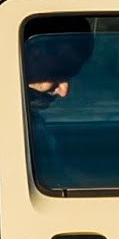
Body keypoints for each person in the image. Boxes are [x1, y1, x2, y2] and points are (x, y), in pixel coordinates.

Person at [21, 16, 94, 190]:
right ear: (31, 54)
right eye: (58, 73)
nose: (64, 91)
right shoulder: (4, 128)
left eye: (70, 75)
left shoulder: (31, 121)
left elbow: (62, 178)